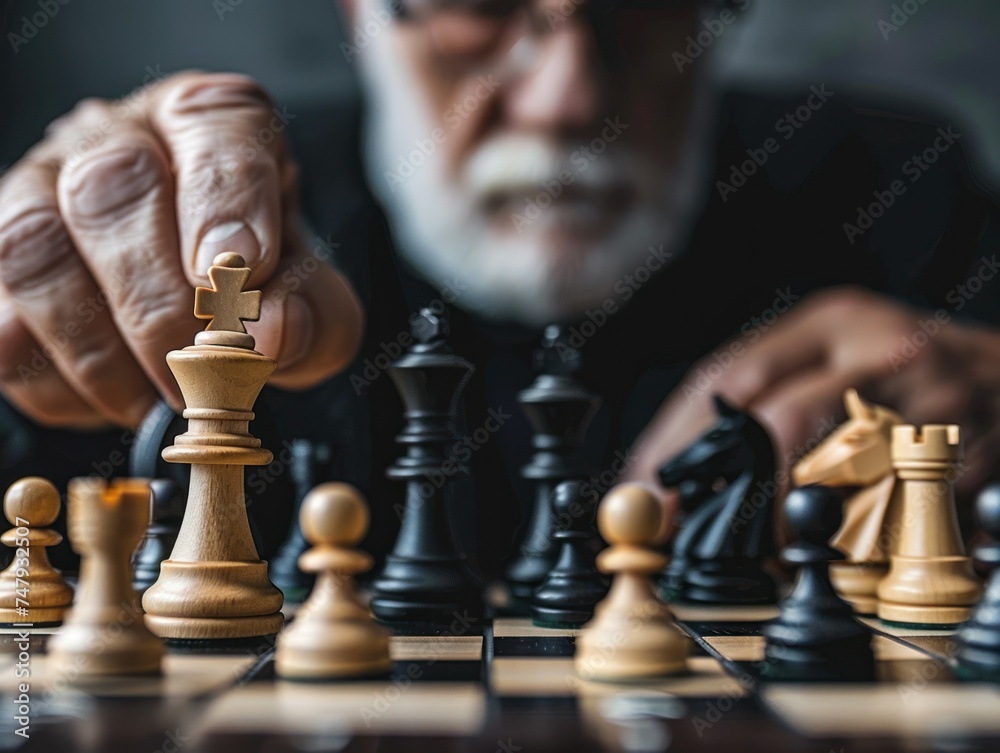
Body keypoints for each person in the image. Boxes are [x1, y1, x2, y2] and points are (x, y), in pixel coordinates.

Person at [0, 0, 998, 570]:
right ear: (356, 15)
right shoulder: (201, 224)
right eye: (476, 6)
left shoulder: (901, 191)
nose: (566, 97)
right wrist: (41, 291)